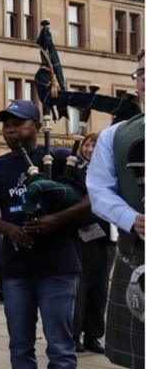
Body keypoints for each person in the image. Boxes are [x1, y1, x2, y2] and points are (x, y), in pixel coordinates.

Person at [0, 100, 90, 369]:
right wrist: (10, 230)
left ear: (38, 127)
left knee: (60, 347)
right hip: (16, 271)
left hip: (58, 266)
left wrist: (57, 219)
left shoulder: (63, 158)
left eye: (18, 123)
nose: (10, 130)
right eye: (6, 124)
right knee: (20, 344)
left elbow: (93, 200)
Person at [86, 48, 144, 369]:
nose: (145, 78)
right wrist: (131, 219)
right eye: (141, 72)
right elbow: (98, 191)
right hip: (138, 257)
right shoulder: (114, 135)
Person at [72, 132, 114, 353]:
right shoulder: (78, 171)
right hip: (84, 235)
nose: (89, 149)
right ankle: (74, 334)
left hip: (107, 237)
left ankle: (93, 335)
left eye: (94, 145)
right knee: (81, 288)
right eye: (87, 145)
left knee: (100, 290)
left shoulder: (110, 170)